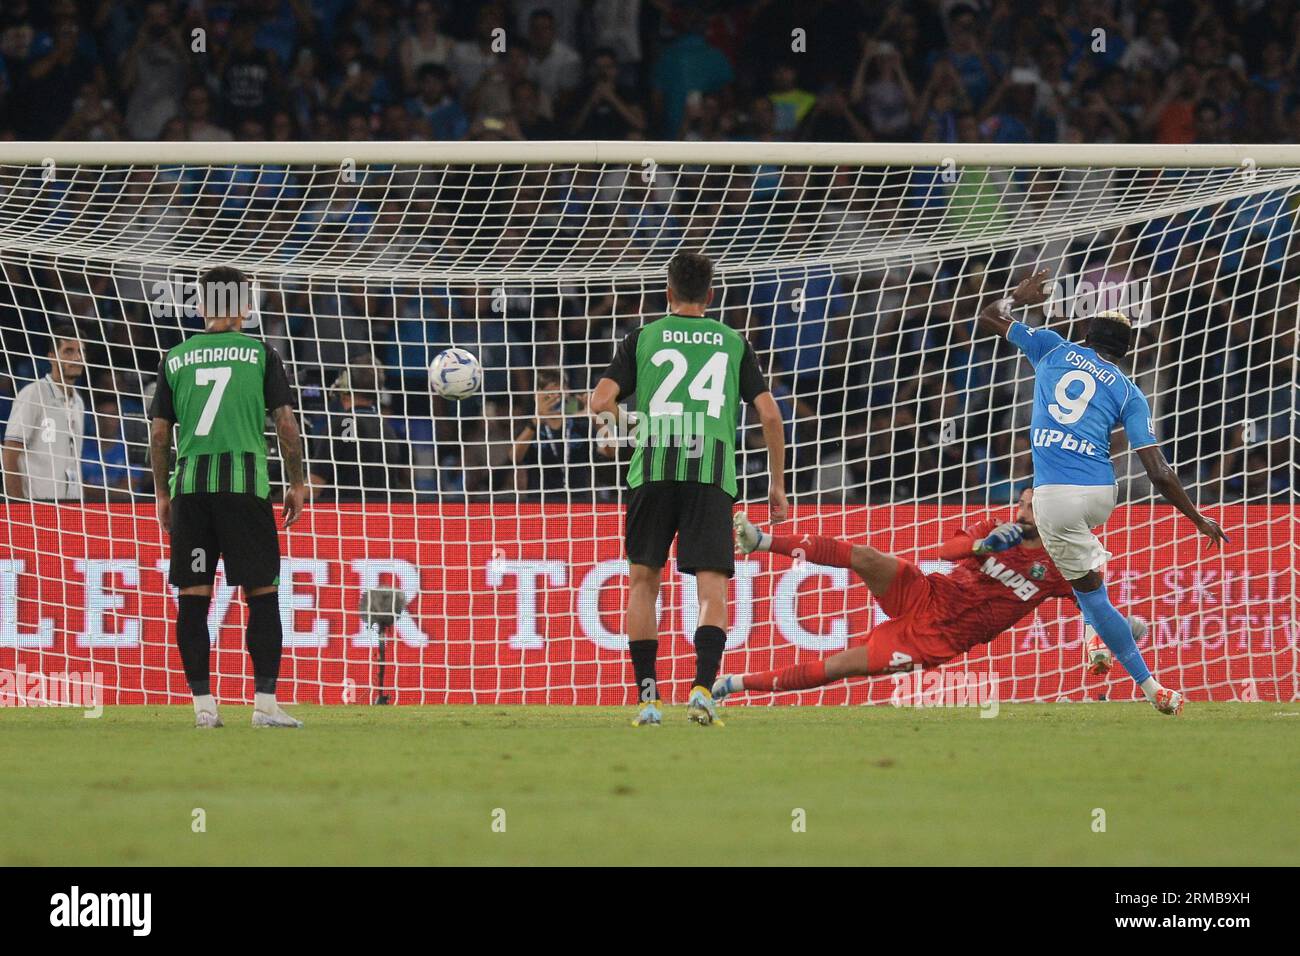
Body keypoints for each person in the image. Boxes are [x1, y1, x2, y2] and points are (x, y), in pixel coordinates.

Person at [973, 270, 1228, 715]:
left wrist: (1019, 295)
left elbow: (989, 315)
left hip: (1052, 497)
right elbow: (1160, 473)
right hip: (1100, 493)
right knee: (1090, 564)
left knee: (1090, 592)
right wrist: (1198, 518)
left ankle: (1153, 689)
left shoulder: (1052, 345)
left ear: (1086, 334)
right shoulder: (1130, 392)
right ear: (1124, 352)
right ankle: (1099, 635)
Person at [589, 252, 787, 726]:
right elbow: (771, 415)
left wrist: (637, 427)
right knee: (711, 589)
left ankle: (648, 699)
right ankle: (701, 688)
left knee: (643, 582)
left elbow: (599, 402)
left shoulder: (642, 337)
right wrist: (776, 486)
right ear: (711, 295)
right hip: (711, 476)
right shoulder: (733, 342)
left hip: (653, 471)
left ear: (668, 293)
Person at [714, 487, 1140, 698]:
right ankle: (762, 541)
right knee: (866, 556)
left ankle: (733, 684)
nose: (1021, 511)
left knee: (839, 665)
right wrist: (984, 545)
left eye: (1030, 507)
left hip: (935, 639)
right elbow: (946, 550)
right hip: (926, 594)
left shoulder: (1058, 565)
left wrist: (1114, 632)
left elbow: (1094, 603)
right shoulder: (996, 528)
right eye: (1023, 503)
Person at [149, 265, 307, 729]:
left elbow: (160, 434)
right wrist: (295, 484)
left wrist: (162, 494)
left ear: (201, 307)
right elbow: (285, 426)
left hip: (192, 493)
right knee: (261, 593)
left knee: (194, 597)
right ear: (243, 306)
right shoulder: (260, 353)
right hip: (245, 490)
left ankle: (203, 708)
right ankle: (265, 705)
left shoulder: (175, 357)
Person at [2, 323, 85, 502]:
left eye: (81, 351)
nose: (77, 357)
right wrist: (18, 506)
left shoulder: (79, 402)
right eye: (69, 351)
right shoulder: (33, 394)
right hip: (37, 505)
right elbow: (10, 452)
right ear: (52, 357)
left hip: (71, 503)